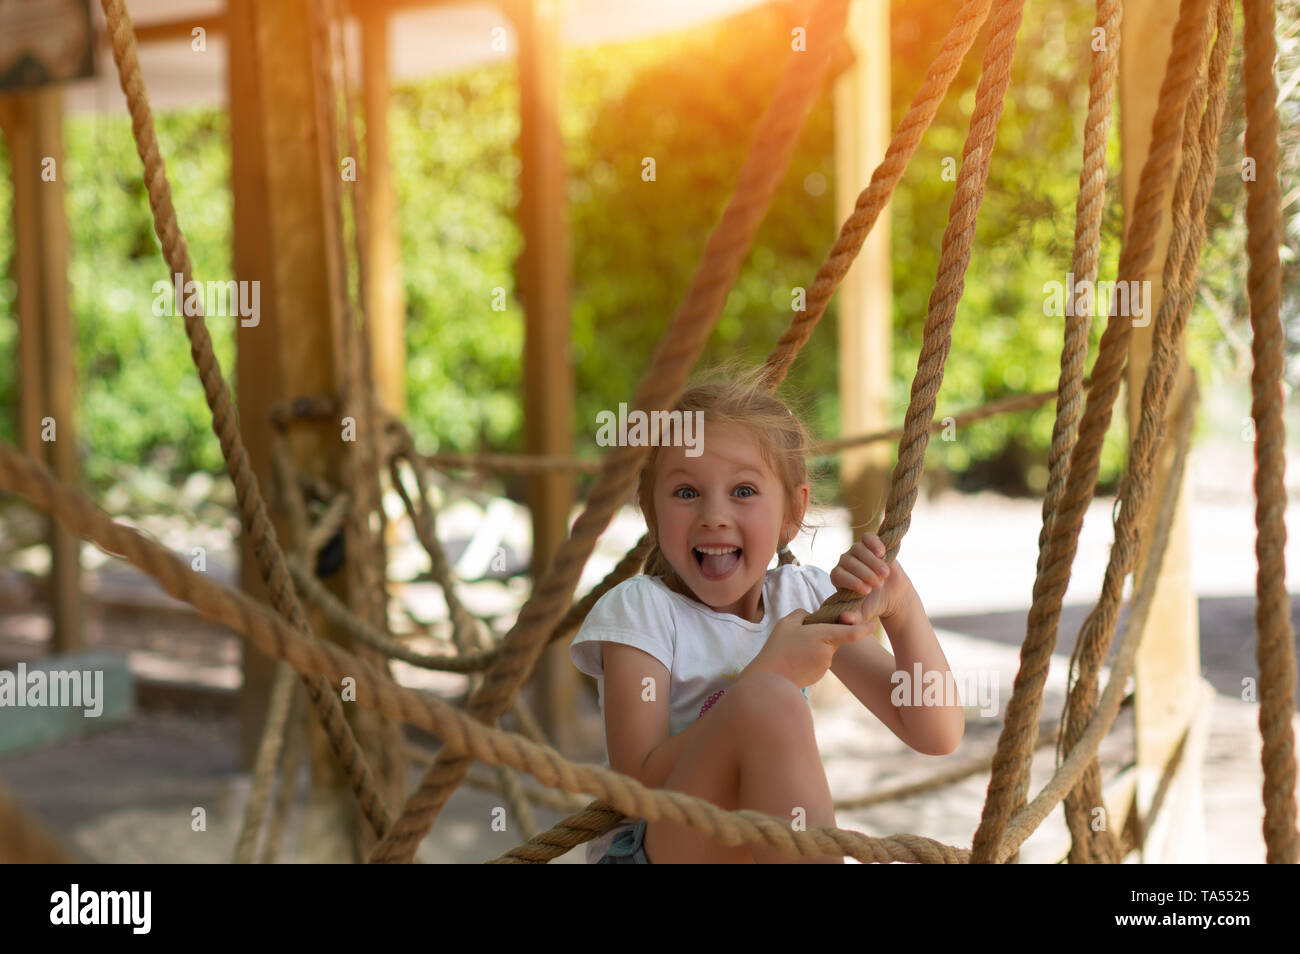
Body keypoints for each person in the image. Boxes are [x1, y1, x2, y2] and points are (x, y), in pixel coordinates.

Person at [570, 364, 964, 863]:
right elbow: (636, 785)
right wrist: (770, 671)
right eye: (686, 492)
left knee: (769, 699)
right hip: (657, 847)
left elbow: (936, 731)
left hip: (755, 850)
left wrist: (903, 611)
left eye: (744, 491)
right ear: (651, 511)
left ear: (791, 514)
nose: (714, 514)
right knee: (768, 698)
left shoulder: (800, 600)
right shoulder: (641, 610)